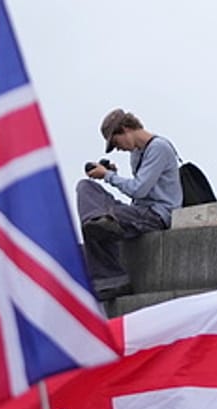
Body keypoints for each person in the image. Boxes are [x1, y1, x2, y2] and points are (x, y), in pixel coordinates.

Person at [76, 109, 184, 301]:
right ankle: (110, 278)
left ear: (125, 130)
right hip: (139, 211)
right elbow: (141, 187)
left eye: (116, 143)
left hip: (156, 214)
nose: (119, 149)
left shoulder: (159, 148)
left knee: (96, 222)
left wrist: (108, 176)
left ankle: (111, 280)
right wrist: (111, 173)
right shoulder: (137, 153)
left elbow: (139, 189)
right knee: (86, 191)